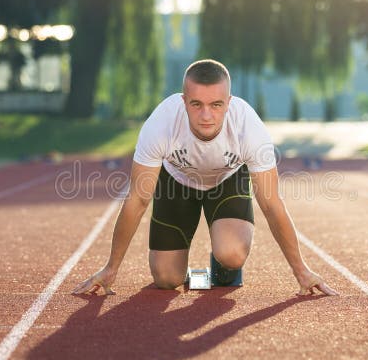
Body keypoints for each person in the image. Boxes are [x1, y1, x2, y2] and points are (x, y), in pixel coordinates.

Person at [72, 59, 338, 296]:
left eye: (216, 104)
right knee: (166, 279)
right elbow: (138, 199)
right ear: (183, 101)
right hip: (176, 183)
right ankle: (182, 269)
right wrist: (111, 268)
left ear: (229, 103)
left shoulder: (249, 129)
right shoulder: (161, 124)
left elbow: (271, 204)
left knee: (231, 254)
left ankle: (223, 269)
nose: (206, 115)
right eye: (196, 104)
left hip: (226, 181)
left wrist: (301, 271)